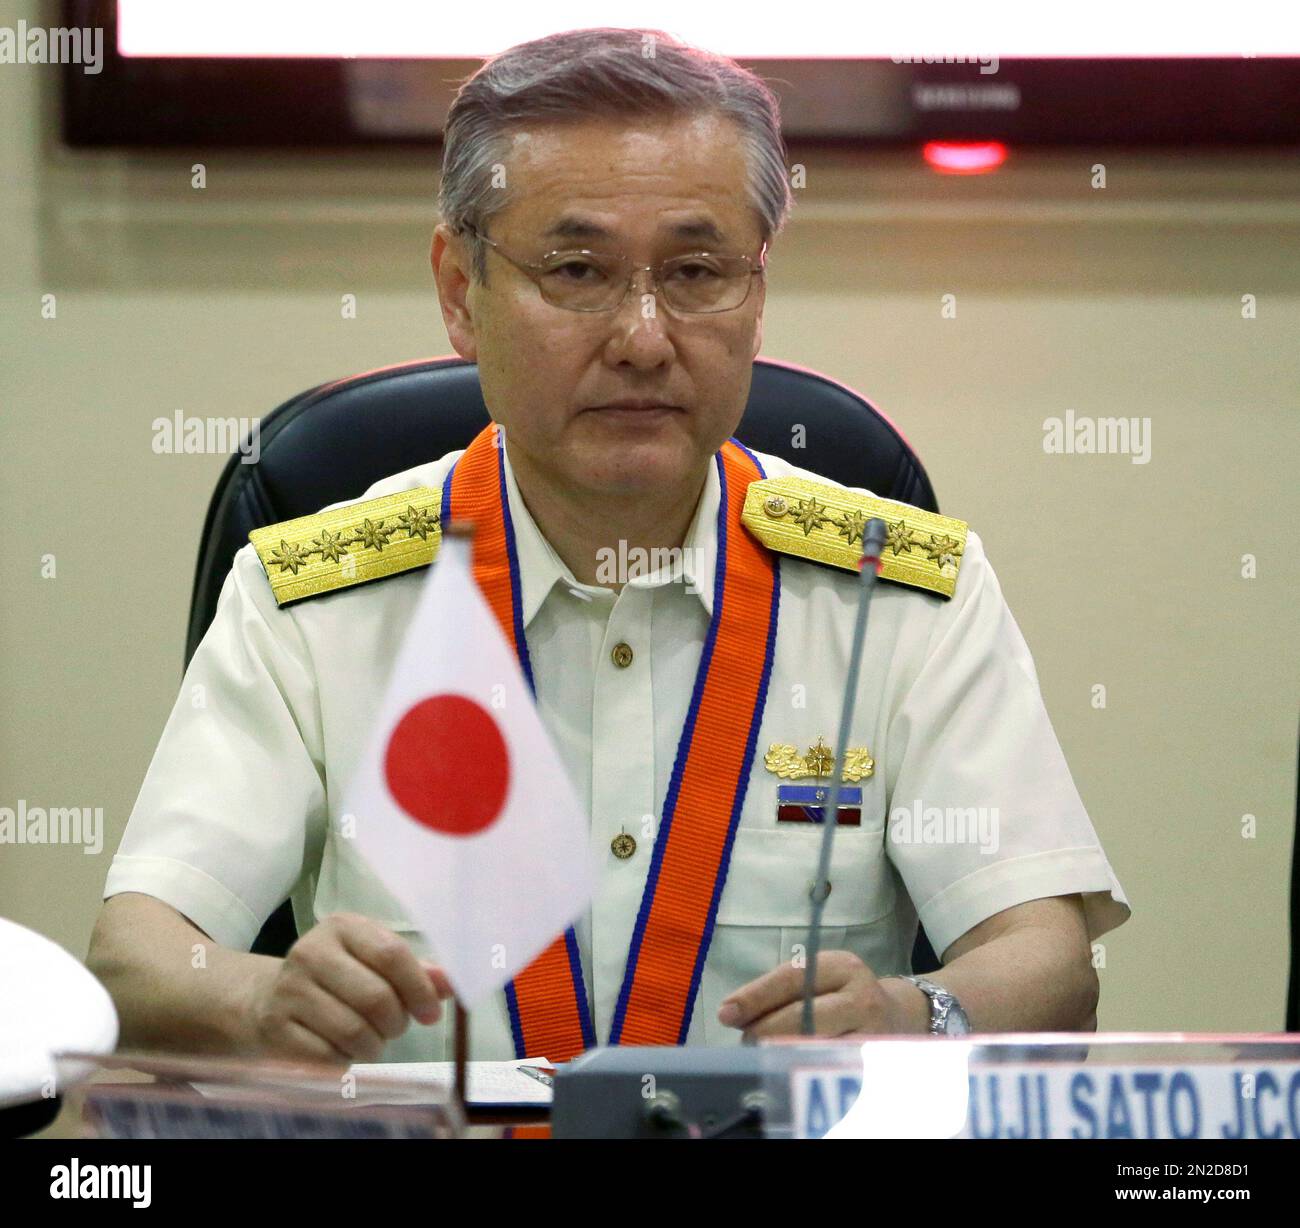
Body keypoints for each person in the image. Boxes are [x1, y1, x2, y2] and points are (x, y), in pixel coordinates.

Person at [87, 27, 1129, 1065]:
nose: (642, 335)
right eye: (577, 270)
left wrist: (915, 1015)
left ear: (758, 292)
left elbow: (1046, 957)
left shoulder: (895, 592)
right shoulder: (313, 599)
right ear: (460, 292)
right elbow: (136, 957)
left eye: (696, 271)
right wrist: (260, 997)